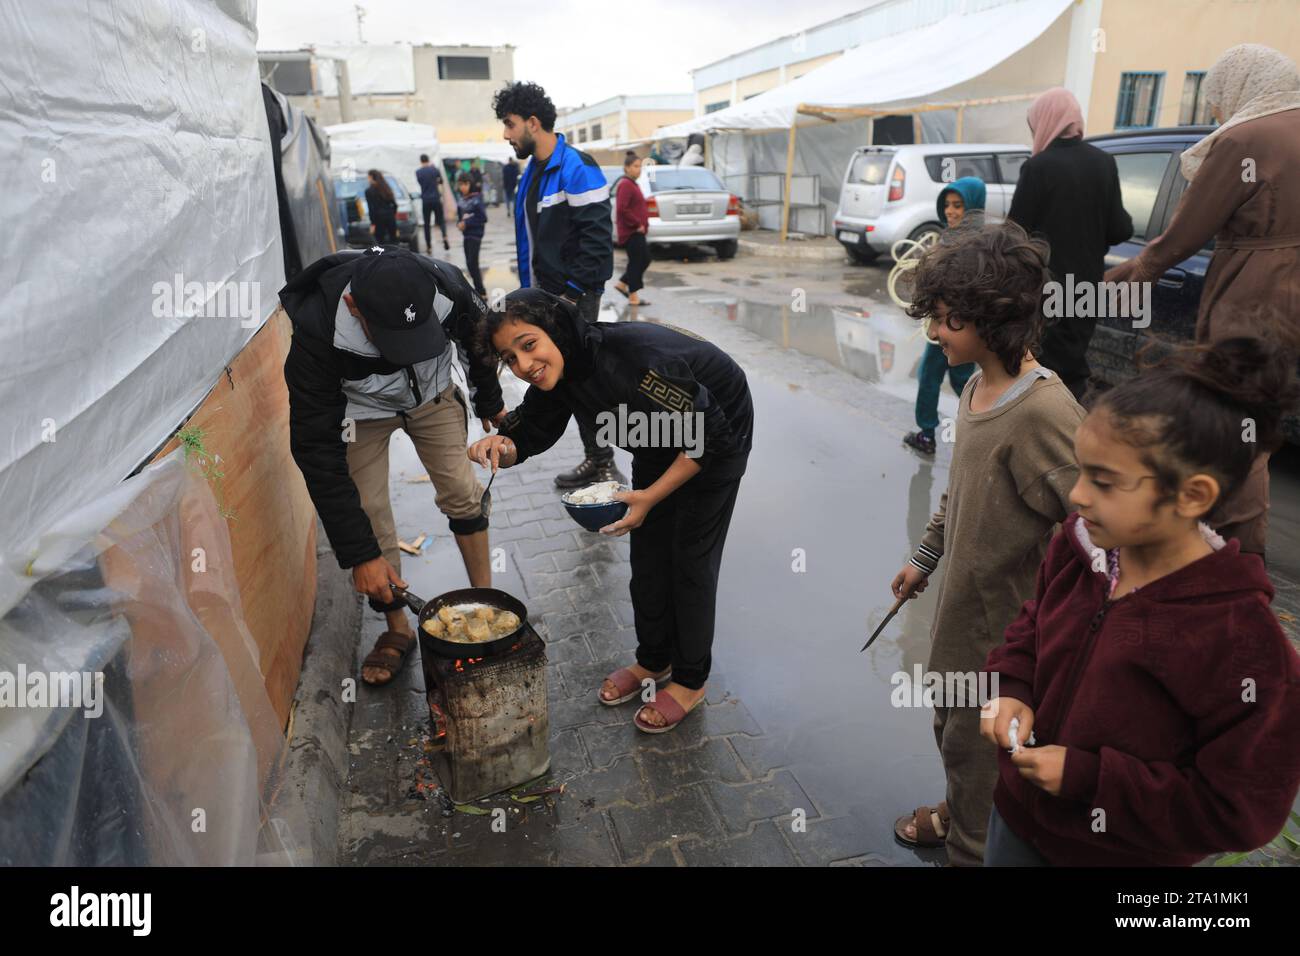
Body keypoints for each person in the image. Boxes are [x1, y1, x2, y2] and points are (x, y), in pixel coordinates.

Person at [981, 337, 1300, 866]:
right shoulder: (1079, 547)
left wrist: (1089, 780)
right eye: (1081, 472)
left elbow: (1238, 808)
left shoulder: (1241, 640)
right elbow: (1031, 627)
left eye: (1103, 482)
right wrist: (1013, 687)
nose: (1078, 495)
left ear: (1192, 495)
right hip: (1014, 822)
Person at [467, 289, 754, 732]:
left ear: (556, 331)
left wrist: (650, 496)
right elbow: (534, 427)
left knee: (690, 559)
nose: (524, 366)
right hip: (658, 435)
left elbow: (705, 435)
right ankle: (653, 661)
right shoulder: (560, 369)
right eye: (510, 358)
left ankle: (691, 680)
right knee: (649, 552)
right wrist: (501, 446)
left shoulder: (638, 365)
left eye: (529, 344)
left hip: (717, 431)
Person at [889, 222, 1085, 866]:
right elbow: (960, 488)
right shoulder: (976, 384)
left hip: (1008, 633)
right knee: (950, 730)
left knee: (980, 751)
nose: (935, 332)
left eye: (947, 320)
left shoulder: (1045, 414)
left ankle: (973, 847)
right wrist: (925, 558)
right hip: (961, 615)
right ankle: (963, 813)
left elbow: (1097, 526)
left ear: (993, 320)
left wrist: (1063, 629)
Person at [1104, 44, 1300, 558]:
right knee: (1261, 415)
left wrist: (1141, 269)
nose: (1217, 113)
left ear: (1240, 86)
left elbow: (1190, 227)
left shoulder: (1245, 138)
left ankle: (1236, 547)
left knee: (1236, 419)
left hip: (1255, 291)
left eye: (1216, 101)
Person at [280, 247, 507, 685]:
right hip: (359, 413)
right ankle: (397, 630)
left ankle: (487, 601)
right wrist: (359, 554)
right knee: (371, 517)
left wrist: (491, 402)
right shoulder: (317, 330)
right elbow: (315, 448)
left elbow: (478, 341)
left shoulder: (447, 284)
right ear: (353, 306)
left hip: (433, 396)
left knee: (463, 492)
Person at [492, 80, 621, 489]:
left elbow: (597, 243)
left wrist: (568, 295)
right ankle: (596, 458)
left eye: (510, 125)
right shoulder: (532, 173)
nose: (506, 134)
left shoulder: (576, 167)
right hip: (547, 299)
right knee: (569, 383)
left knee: (581, 382)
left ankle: (603, 462)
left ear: (533, 123)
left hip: (572, 298)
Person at [1007, 87, 1133, 401]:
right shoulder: (1104, 163)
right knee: (1071, 370)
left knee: (1040, 374)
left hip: (1044, 290)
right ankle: (1067, 434)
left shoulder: (1038, 168)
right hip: (1086, 290)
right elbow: (1121, 229)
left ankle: (1048, 440)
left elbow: (1014, 236)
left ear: (1043, 122)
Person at [901, 176, 983, 455]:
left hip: (954, 324)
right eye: (947, 205)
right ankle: (980, 432)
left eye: (958, 206)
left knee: (937, 377)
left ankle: (931, 434)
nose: (950, 211)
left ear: (972, 207)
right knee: (954, 379)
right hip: (955, 325)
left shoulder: (974, 244)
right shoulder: (953, 237)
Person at [612, 151, 651, 308]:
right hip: (632, 231)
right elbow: (622, 209)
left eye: (640, 166)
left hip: (636, 231)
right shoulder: (625, 184)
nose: (638, 169)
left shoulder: (632, 184)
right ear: (627, 168)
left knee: (643, 259)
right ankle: (633, 296)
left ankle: (622, 284)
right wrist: (637, 224)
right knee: (637, 261)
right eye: (635, 166)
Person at [455, 171, 488, 297]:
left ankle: (481, 291)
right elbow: (460, 218)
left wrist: (467, 222)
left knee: (473, 263)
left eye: (465, 184)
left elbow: (483, 218)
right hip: (466, 235)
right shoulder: (461, 201)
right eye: (460, 184)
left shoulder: (476, 199)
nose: (463, 187)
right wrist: (459, 224)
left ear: (470, 184)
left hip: (475, 235)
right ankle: (478, 289)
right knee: (469, 264)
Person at [416, 154, 450, 253]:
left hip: (425, 200)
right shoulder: (434, 170)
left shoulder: (418, 172)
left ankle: (429, 246)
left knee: (427, 224)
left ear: (421, 161)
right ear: (428, 160)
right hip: (436, 198)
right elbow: (441, 182)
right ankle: (444, 237)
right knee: (441, 220)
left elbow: (421, 183)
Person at [364, 170, 399, 246]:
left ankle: (383, 257)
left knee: (380, 244)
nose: (367, 179)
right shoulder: (386, 188)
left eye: (368, 177)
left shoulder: (369, 191)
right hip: (390, 218)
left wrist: (373, 224)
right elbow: (395, 205)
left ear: (371, 177)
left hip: (378, 219)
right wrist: (392, 215)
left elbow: (371, 209)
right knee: (394, 242)